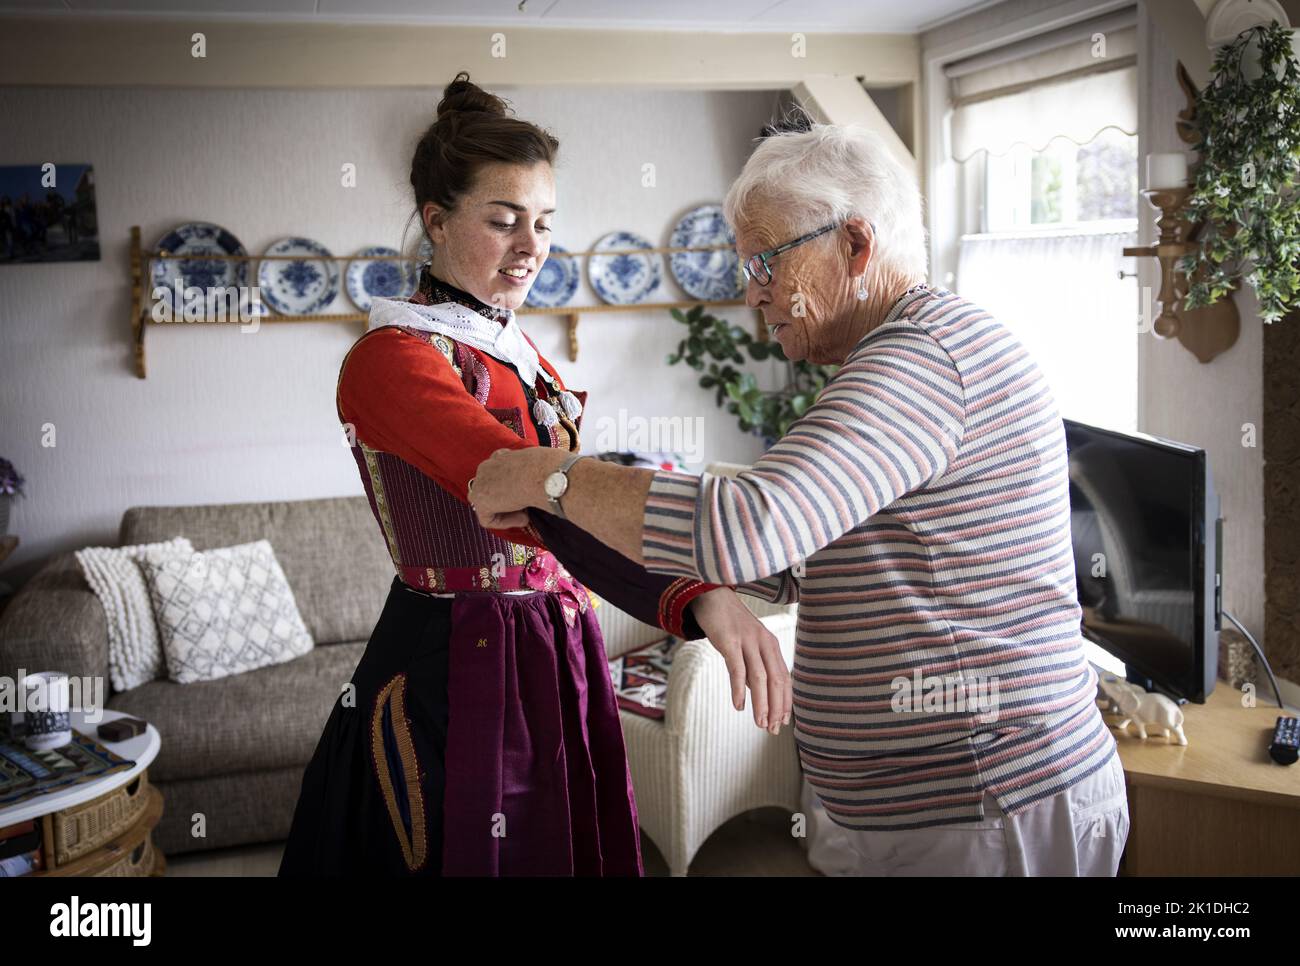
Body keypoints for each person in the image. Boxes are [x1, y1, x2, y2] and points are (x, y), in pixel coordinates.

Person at [470, 119, 1130, 877]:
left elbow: (750, 528)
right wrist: (592, 530)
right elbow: (793, 563)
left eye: (765, 263)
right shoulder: (882, 361)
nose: (753, 295)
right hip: (918, 808)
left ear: (854, 244)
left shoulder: (924, 360)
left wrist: (548, 475)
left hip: (980, 803)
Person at [278, 73, 789, 878]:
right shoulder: (392, 357)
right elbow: (528, 487)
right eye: (504, 220)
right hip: (455, 659)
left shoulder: (516, 350)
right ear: (437, 222)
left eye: (545, 223)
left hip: (555, 644)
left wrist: (695, 591)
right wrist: (698, 596)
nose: (532, 247)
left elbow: (572, 500)